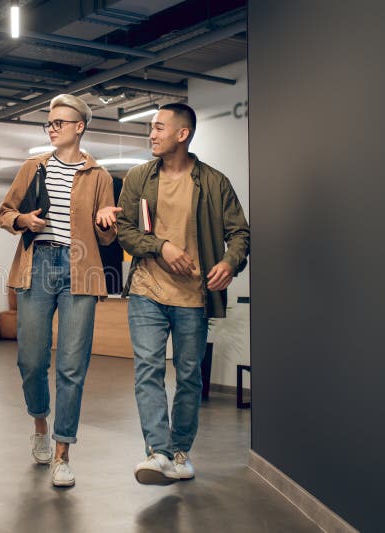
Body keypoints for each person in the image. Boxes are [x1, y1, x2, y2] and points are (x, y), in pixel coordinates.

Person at [116, 103, 250, 484]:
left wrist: (229, 263)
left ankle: (179, 452)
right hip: (146, 289)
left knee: (189, 376)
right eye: (151, 127)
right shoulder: (139, 178)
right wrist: (162, 247)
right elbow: (126, 230)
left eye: (159, 127)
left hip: (193, 297)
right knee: (148, 370)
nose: (152, 134)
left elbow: (240, 233)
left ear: (182, 133)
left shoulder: (215, 183)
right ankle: (157, 452)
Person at [0, 94, 121, 487]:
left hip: (80, 269)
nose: (52, 128)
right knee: (31, 360)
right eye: (49, 123)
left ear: (79, 127)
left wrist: (105, 223)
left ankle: (63, 451)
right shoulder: (33, 167)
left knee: (72, 365)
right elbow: (5, 213)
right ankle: (40, 425)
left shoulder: (100, 176)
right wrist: (24, 220)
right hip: (37, 265)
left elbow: (108, 237)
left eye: (59, 123)